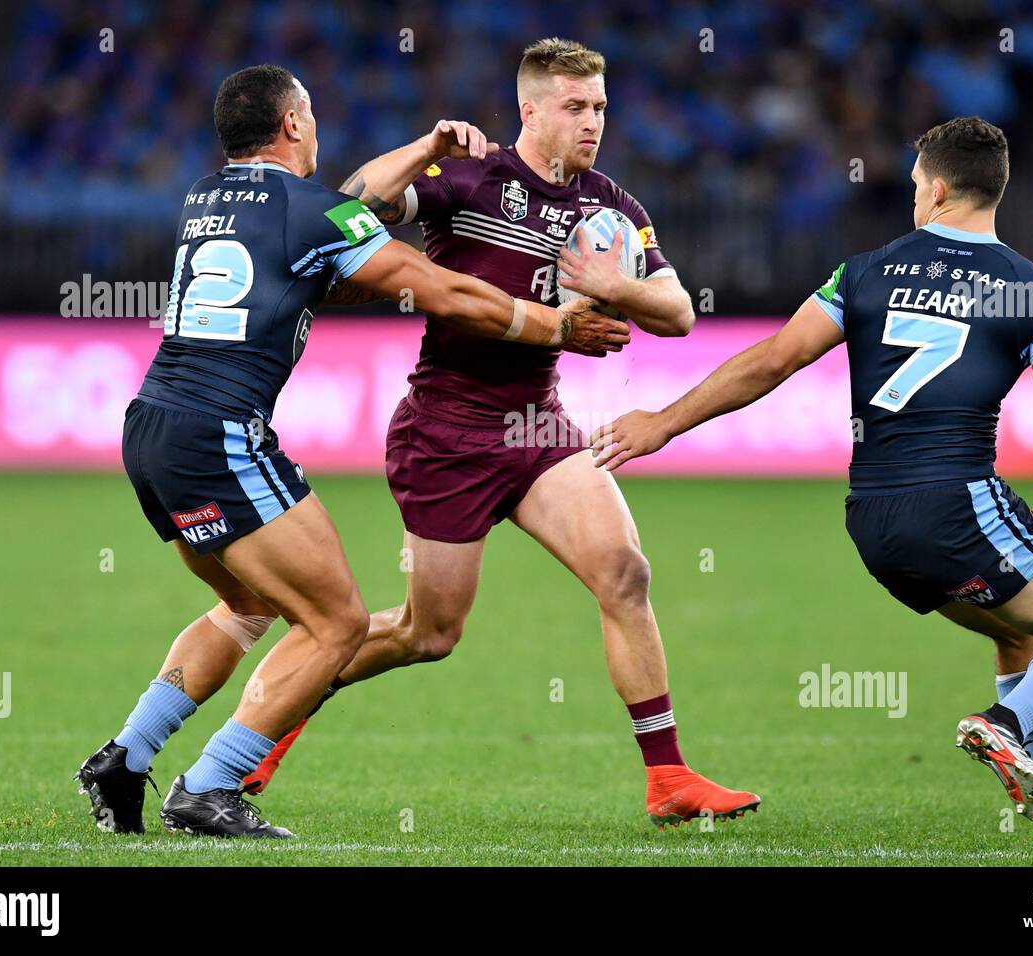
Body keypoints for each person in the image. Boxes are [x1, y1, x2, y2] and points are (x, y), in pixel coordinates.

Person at [587, 116, 1033, 846]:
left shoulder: (865, 270)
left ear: (937, 190)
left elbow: (772, 360)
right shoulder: (1028, 290)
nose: (912, 197)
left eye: (913, 186)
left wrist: (665, 421)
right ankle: (1001, 725)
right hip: (958, 507)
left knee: (1019, 635)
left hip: (874, 524)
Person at [75, 63, 622, 839]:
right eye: (314, 116)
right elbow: (442, 290)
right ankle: (210, 786)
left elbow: (342, 233)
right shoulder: (305, 210)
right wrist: (555, 326)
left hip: (152, 428)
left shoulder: (207, 199)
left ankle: (126, 757)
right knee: (337, 622)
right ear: (295, 124)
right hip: (219, 434)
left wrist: (427, 148)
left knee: (249, 603)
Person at [245, 39, 760, 829]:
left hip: (540, 425)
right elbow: (353, 203)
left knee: (624, 573)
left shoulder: (614, 208)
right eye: (574, 107)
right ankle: (283, 712)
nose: (592, 124)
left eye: (600, 109)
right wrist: (425, 145)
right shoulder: (470, 177)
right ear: (530, 110)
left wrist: (613, 285)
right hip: (445, 431)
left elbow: (680, 313)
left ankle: (669, 779)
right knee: (430, 633)